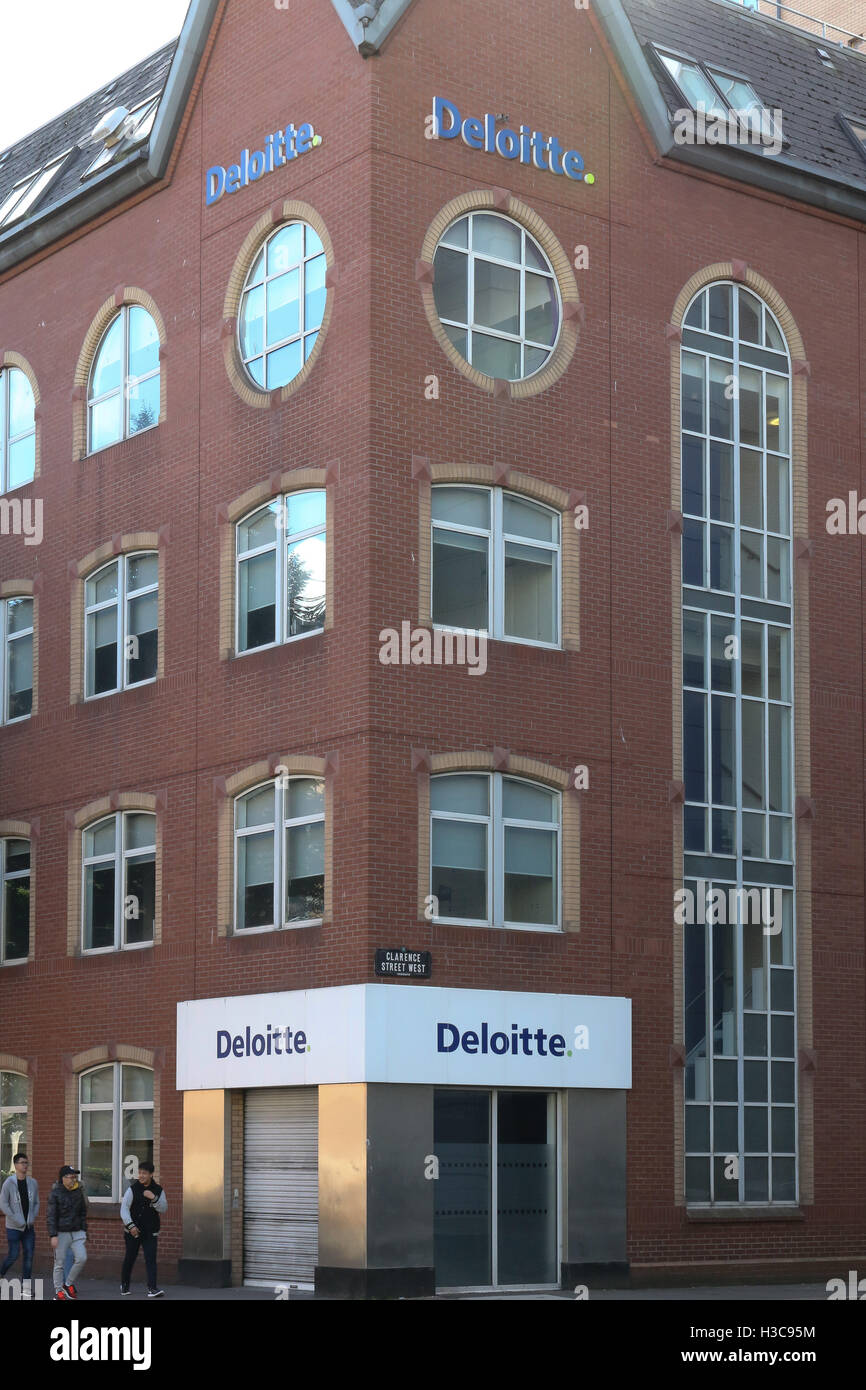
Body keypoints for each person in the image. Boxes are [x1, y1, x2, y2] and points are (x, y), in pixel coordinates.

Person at [120, 1162, 166, 1298]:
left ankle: (152, 1288)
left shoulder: (158, 1189)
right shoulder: (132, 1189)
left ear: (151, 1174)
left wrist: (153, 1197)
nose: (141, 1176)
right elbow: (124, 1209)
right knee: (130, 1258)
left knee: (150, 1259)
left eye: (144, 1173)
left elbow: (163, 1208)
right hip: (133, 1231)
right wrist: (131, 1226)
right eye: (140, 1173)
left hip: (150, 1231)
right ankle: (124, 1285)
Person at [0, 1153, 39, 1295]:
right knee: (13, 1255)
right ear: (16, 1165)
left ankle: (26, 1288)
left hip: (29, 1227)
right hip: (14, 1228)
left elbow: (36, 1203)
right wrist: (15, 1218)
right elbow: (3, 1203)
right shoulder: (8, 1183)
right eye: (22, 1163)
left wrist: (32, 1217)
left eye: (26, 1163)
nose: (25, 1165)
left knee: (29, 1256)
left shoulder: (33, 1183)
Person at [47, 1165, 88, 1300]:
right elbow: (51, 1215)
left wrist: (83, 1229)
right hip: (61, 1232)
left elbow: (83, 1211)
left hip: (77, 1232)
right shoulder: (55, 1193)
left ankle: (67, 1284)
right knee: (59, 1263)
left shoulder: (78, 1191)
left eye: (74, 1177)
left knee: (82, 1258)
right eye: (71, 1177)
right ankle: (59, 1291)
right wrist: (53, 1235)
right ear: (63, 1178)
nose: (73, 1180)